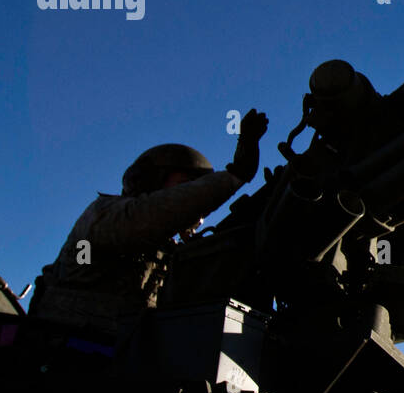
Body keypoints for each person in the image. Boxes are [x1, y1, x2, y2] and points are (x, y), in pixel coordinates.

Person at [28, 110, 269, 342]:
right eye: (186, 185)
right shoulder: (103, 214)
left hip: (127, 366)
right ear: (150, 180)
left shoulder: (171, 253)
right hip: (65, 356)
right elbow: (154, 215)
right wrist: (234, 175)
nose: (194, 198)